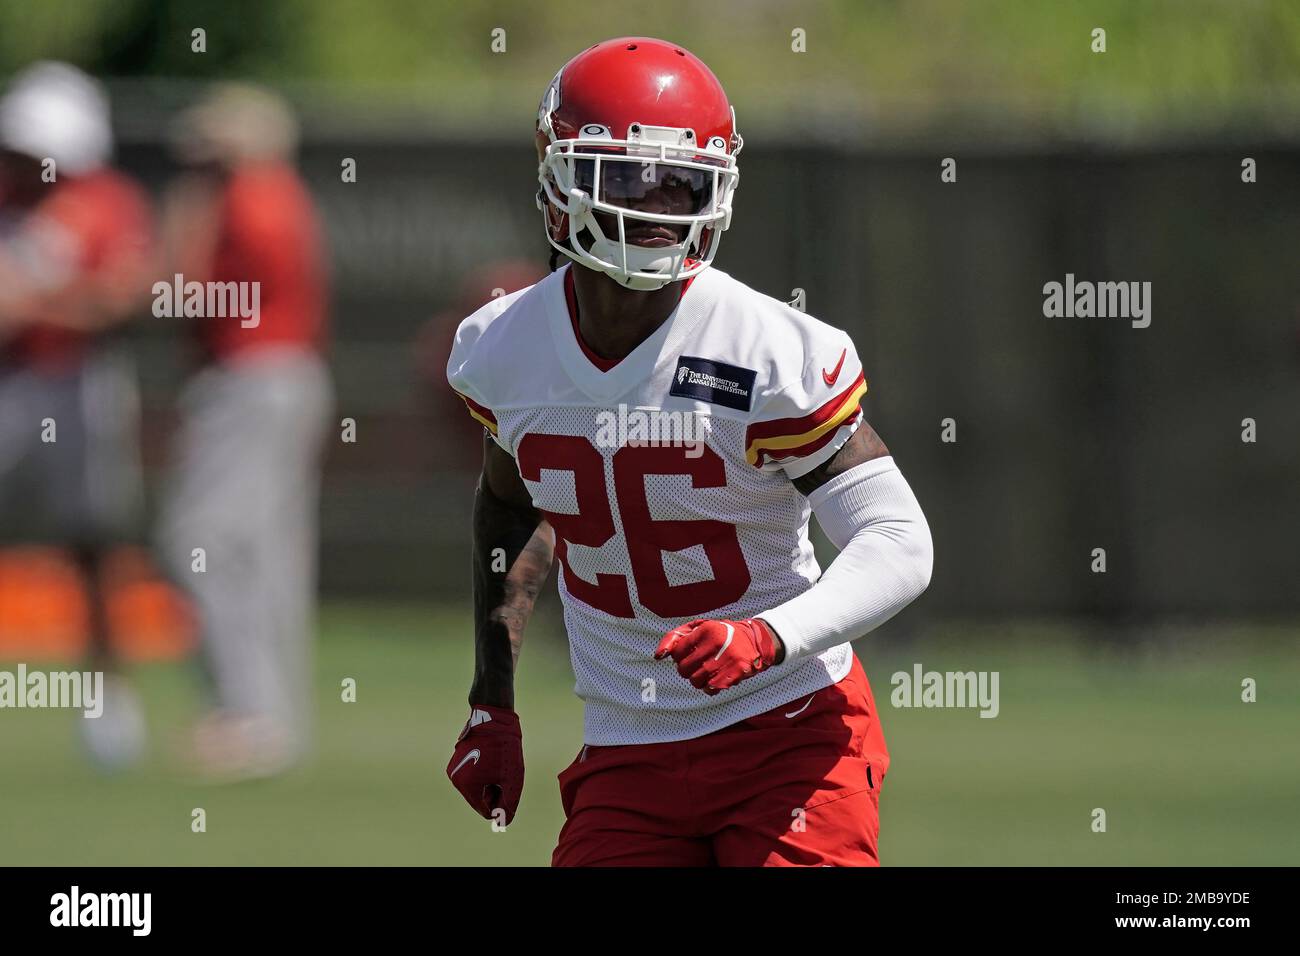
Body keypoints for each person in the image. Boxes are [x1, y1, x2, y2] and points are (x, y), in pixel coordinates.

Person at [445, 37, 933, 866]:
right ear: (559, 177)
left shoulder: (766, 350)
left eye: (683, 181)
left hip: (791, 734)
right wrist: (491, 700)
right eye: (630, 175)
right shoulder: (502, 349)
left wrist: (768, 636)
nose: (659, 202)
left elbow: (898, 540)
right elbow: (512, 504)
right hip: (626, 743)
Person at [156, 84, 332, 781]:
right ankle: (270, 718)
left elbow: (178, 287)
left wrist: (180, 217)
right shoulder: (279, 195)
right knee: (266, 555)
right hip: (282, 377)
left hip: (251, 377)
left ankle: (248, 712)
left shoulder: (244, 198)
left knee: (199, 540)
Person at [0, 61, 154, 769]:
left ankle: (108, 704)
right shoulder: (10, 198)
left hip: (78, 383)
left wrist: (38, 304)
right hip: (12, 382)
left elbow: (122, 295)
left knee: (91, 546)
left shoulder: (106, 202)